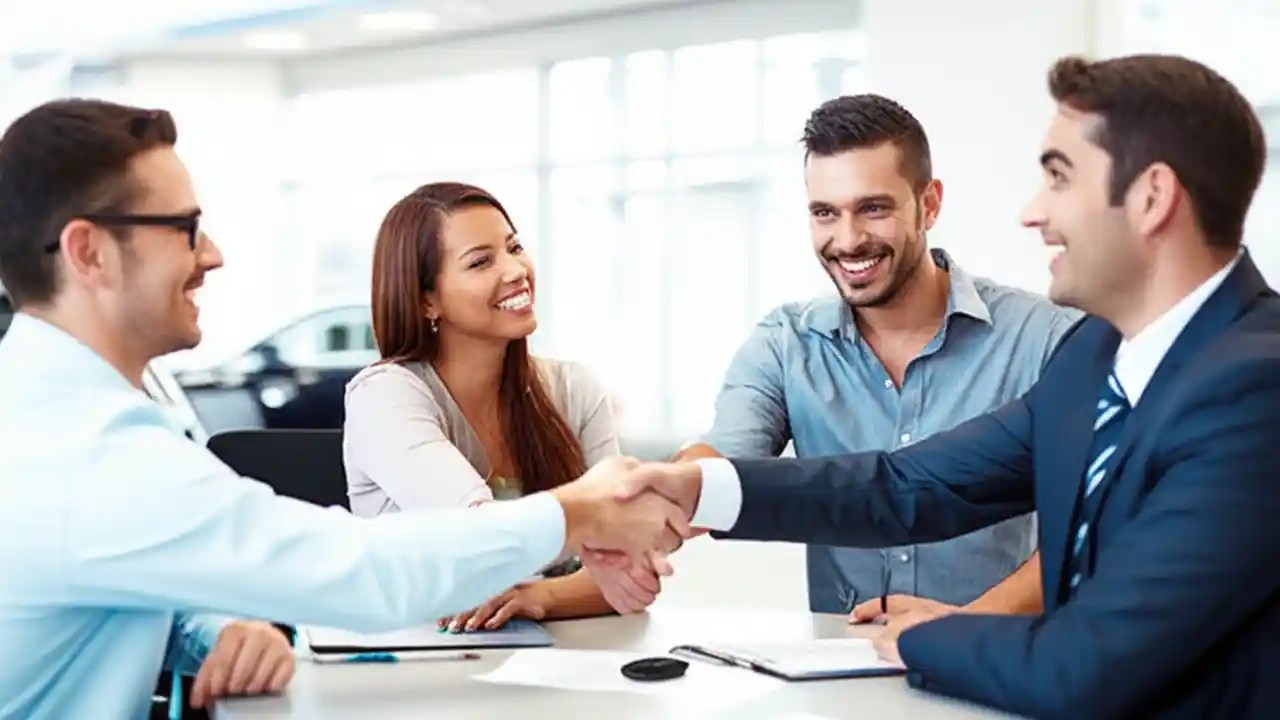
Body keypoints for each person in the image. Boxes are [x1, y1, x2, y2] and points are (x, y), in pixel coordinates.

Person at [613, 53, 1278, 718]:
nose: (1032, 211)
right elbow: (910, 487)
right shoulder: (1095, 356)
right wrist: (695, 488)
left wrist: (931, 635)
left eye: (1059, 178)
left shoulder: (1258, 389)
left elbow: (1087, 664)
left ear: (1152, 197)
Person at [0, 99, 687, 720]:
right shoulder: (86, 448)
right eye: (185, 228)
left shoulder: (54, 415)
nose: (213, 255)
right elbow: (357, 571)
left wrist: (214, 631)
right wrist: (576, 512)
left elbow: (110, 592)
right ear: (89, 253)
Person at [667, 94, 1078, 617]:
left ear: (929, 204)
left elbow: (1085, 530)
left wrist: (962, 630)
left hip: (995, 659)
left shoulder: (1044, 338)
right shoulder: (786, 343)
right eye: (825, 213)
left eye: (873, 208)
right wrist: (662, 492)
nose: (848, 239)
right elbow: (722, 464)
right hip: (840, 670)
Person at [344, 182, 655, 632]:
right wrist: (594, 520)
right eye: (481, 261)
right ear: (426, 299)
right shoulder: (384, 396)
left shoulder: (574, 388)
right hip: (418, 664)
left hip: (558, 662)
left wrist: (536, 597)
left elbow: (631, 573)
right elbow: (482, 533)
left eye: (514, 247)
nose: (515, 270)